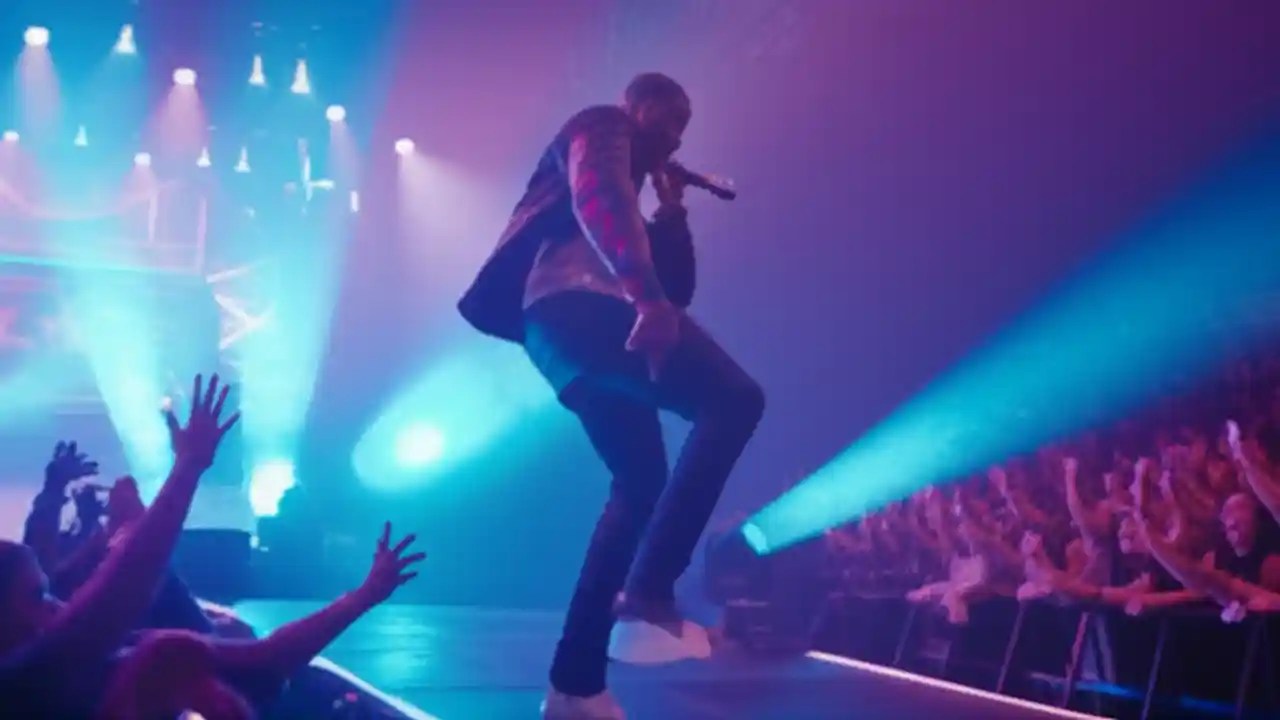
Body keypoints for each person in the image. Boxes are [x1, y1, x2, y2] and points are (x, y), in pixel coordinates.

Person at [459, 72, 765, 720]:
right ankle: (650, 594)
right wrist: (646, 297)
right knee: (734, 400)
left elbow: (676, 292)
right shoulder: (602, 126)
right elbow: (597, 195)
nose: (675, 133)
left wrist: (673, 210)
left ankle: (574, 685)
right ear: (637, 104)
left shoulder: (638, 193)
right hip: (582, 308)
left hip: (569, 328)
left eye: (684, 126)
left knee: (640, 480)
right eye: (668, 116)